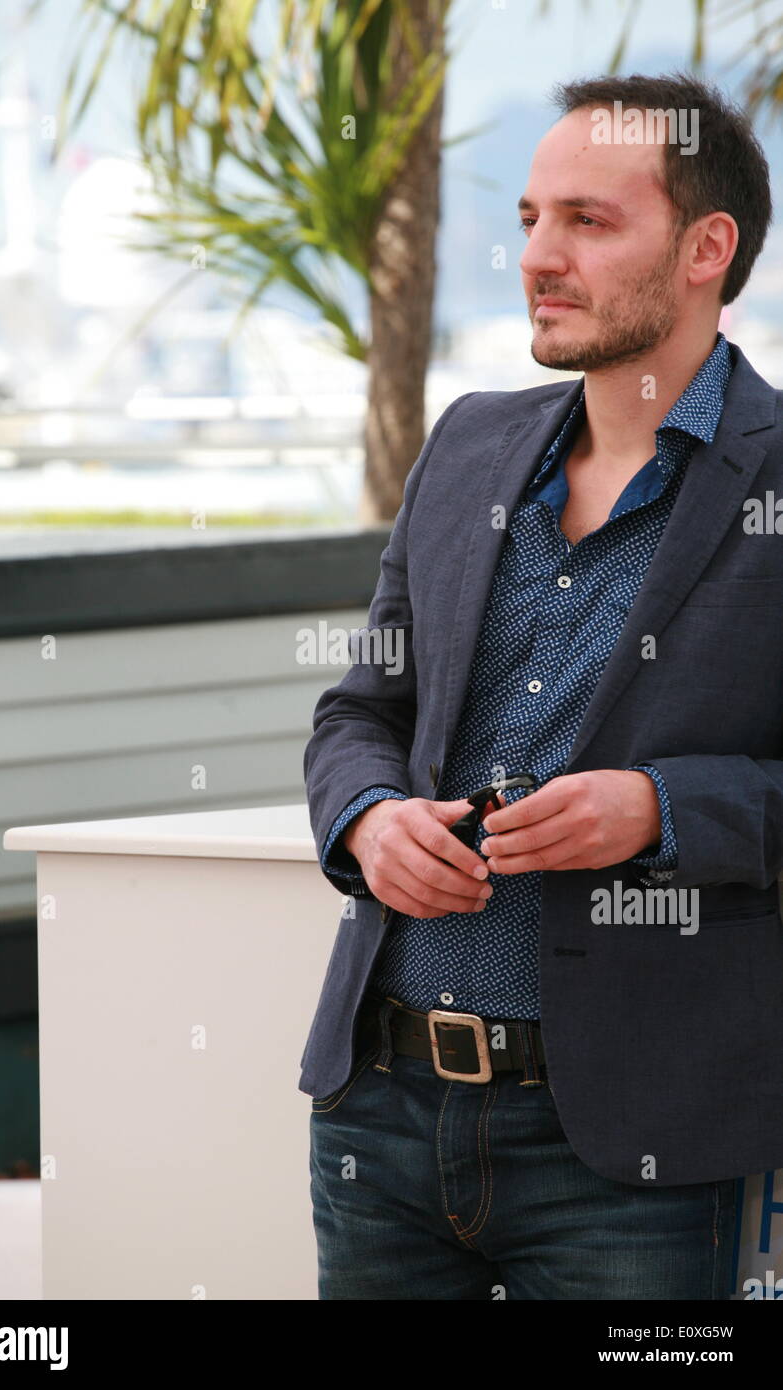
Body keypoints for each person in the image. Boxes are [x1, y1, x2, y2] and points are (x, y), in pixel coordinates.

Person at [301, 71, 783, 1300]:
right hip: (381, 1113)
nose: (537, 256)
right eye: (527, 219)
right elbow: (363, 710)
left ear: (703, 249)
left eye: (586, 220)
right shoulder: (465, 442)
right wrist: (367, 819)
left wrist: (662, 810)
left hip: (635, 1143)